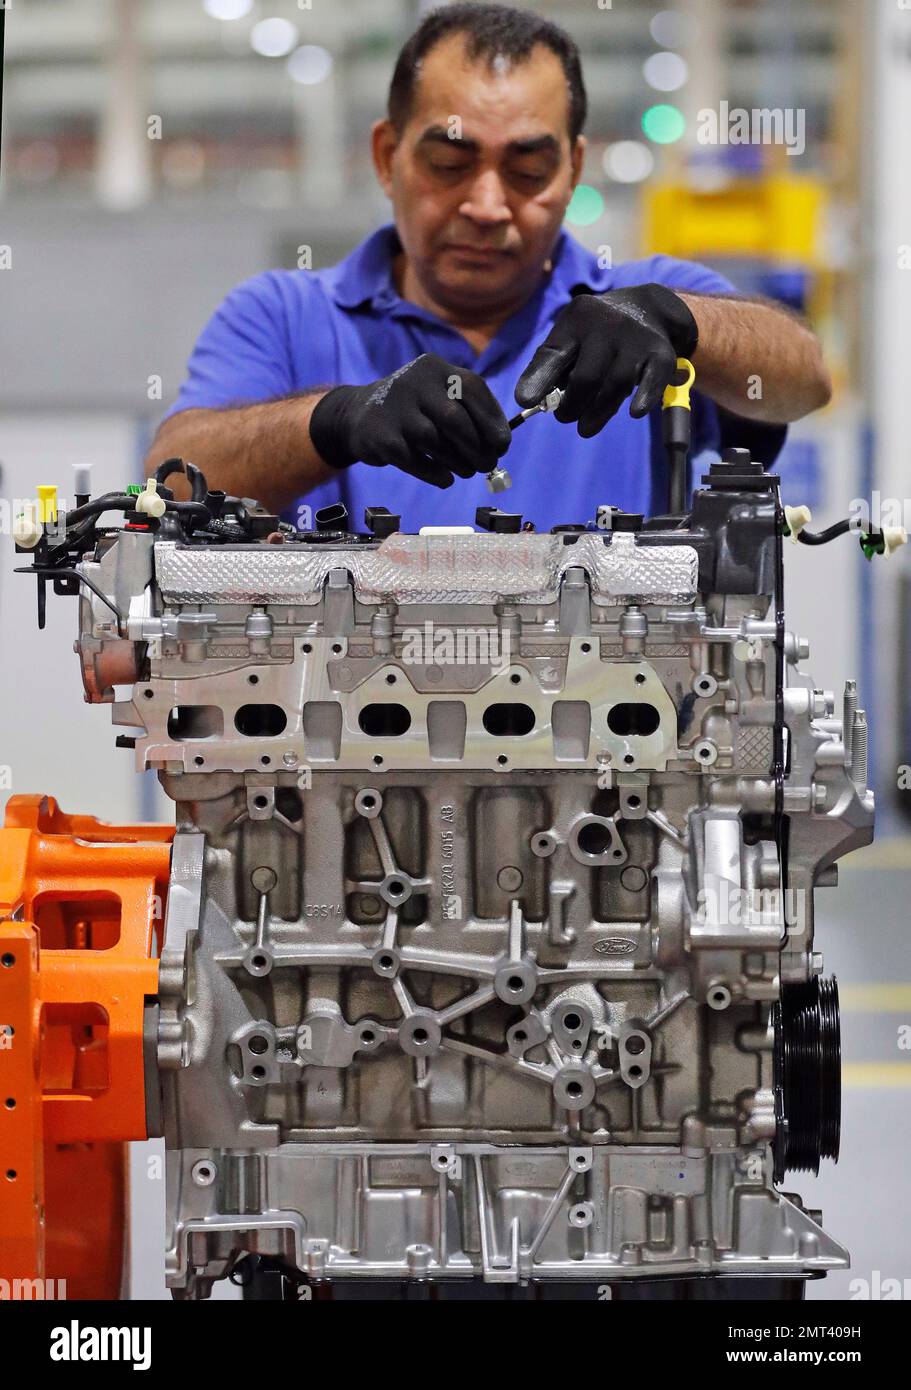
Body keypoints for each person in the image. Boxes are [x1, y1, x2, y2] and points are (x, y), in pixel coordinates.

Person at [145, 3, 830, 532]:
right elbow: (169, 485)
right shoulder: (282, 317)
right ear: (387, 158)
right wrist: (336, 419)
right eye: (449, 164)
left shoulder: (636, 306)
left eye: (528, 170)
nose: (486, 203)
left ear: (572, 170)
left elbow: (804, 377)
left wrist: (680, 322)